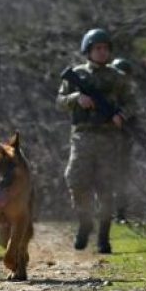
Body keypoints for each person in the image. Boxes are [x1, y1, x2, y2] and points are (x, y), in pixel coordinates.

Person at [56, 28, 136, 254]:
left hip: (109, 138)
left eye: (105, 48)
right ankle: (84, 221)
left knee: (106, 188)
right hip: (82, 136)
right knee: (76, 180)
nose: (102, 52)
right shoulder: (77, 74)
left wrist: (122, 115)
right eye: (97, 48)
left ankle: (103, 237)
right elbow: (60, 101)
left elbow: (132, 103)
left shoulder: (118, 78)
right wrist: (76, 98)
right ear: (88, 50)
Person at [110, 57, 135, 223]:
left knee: (121, 178)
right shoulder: (107, 94)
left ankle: (120, 214)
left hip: (122, 142)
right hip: (103, 141)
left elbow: (133, 115)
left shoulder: (128, 97)